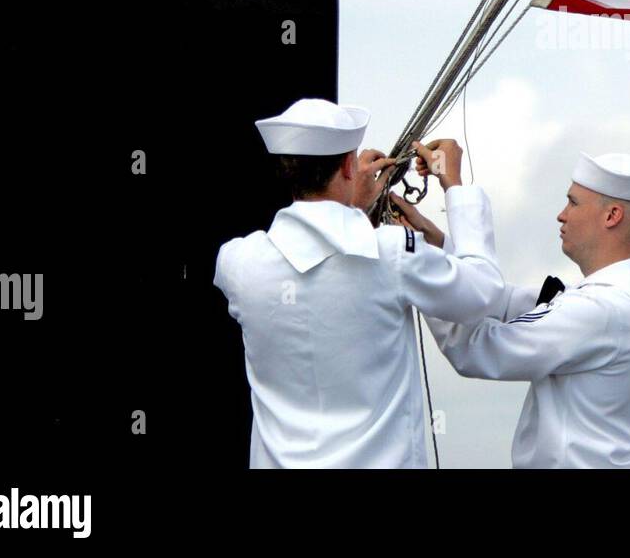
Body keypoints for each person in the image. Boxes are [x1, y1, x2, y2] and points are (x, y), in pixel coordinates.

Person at [212, 98, 502, 468]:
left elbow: (312, 252)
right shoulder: (393, 254)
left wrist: (350, 208)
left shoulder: (238, 262)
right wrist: (455, 185)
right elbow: (484, 293)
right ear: (349, 166)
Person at [400, 149, 630, 468]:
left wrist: (412, 263)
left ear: (612, 215)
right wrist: (432, 243)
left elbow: (475, 350)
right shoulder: (616, 300)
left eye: (573, 202)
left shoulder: (601, 309)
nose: (562, 214)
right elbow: (503, 303)